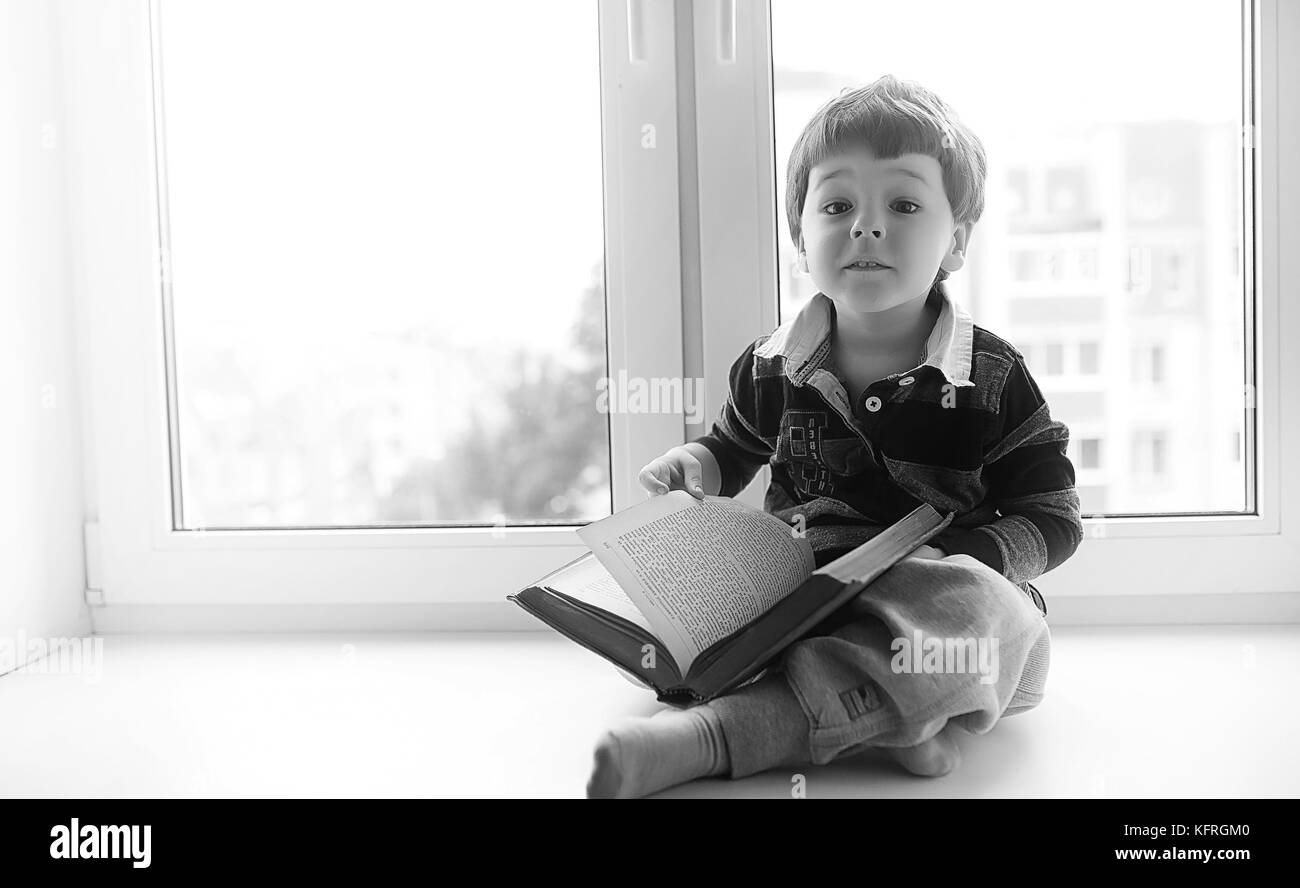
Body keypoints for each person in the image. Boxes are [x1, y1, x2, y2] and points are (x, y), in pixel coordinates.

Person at [586, 74, 1082, 799]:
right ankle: (903, 723)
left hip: (941, 607)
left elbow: (1054, 519)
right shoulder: (769, 366)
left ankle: (710, 739)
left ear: (958, 242)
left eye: (904, 204)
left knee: (989, 619)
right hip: (808, 598)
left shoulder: (993, 377)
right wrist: (694, 466)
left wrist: (968, 557)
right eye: (839, 205)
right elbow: (732, 451)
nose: (866, 226)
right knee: (704, 609)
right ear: (801, 236)